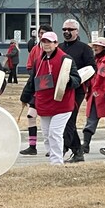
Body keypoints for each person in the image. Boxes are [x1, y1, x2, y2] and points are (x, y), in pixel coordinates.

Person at [20, 31, 81, 165]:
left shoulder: (66, 59)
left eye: (49, 42)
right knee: (47, 135)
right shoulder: (38, 61)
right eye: (44, 42)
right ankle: (52, 159)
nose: (46, 44)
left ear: (56, 43)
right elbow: (32, 81)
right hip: (44, 103)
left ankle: (57, 162)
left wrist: (67, 80)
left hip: (62, 104)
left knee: (55, 133)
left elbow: (77, 79)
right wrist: (25, 97)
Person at [58, 19, 96, 162]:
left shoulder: (84, 48)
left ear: (77, 32)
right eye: (64, 29)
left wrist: (78, 78)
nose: (67, 32)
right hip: (61, 89)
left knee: (69, 118)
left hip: (77, 89)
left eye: (70, 29)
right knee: (65, 119)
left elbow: (92, 68)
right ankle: (78, 151)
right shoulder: (59, 47)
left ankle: (63, 147)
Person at [19, 24, 52, 156]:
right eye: (40, 33)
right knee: (31, 115)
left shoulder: (55, 50)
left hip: (49, 88)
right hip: (36, 88)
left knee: (48, 118)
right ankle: (32, 146)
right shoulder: (34, 49)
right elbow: (29, 66)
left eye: (44, 33)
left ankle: (52, 147)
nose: (41, 35)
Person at [82, 37, 105, 155]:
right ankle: (85, 144)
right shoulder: (93, 60)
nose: (95, 48)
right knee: (90, 121)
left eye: (98, 45)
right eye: (94, 45)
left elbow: (101, 76)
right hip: (94, 95)